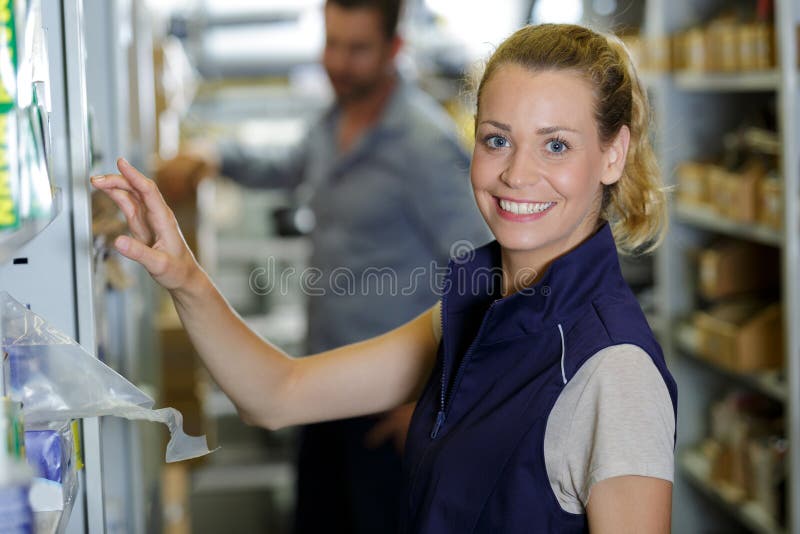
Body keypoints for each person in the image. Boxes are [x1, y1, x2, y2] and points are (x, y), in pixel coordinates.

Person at [93, 22, 677, 533]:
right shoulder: (475, 308)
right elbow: (276, 394)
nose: (516, 174)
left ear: (612, 154)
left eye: (556, 145)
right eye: (497, 140)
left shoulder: (614, 371)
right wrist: (184, 275)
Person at [159, 1, 490, 532]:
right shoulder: (336, 118)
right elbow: (288, 165)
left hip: (392, 405)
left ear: (393, 49)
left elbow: (484, 274)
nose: (338, 61)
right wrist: (214, 157)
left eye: (357, 49)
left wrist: (436, 404)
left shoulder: (422, 145)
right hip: (321, 390)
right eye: (332, 43)